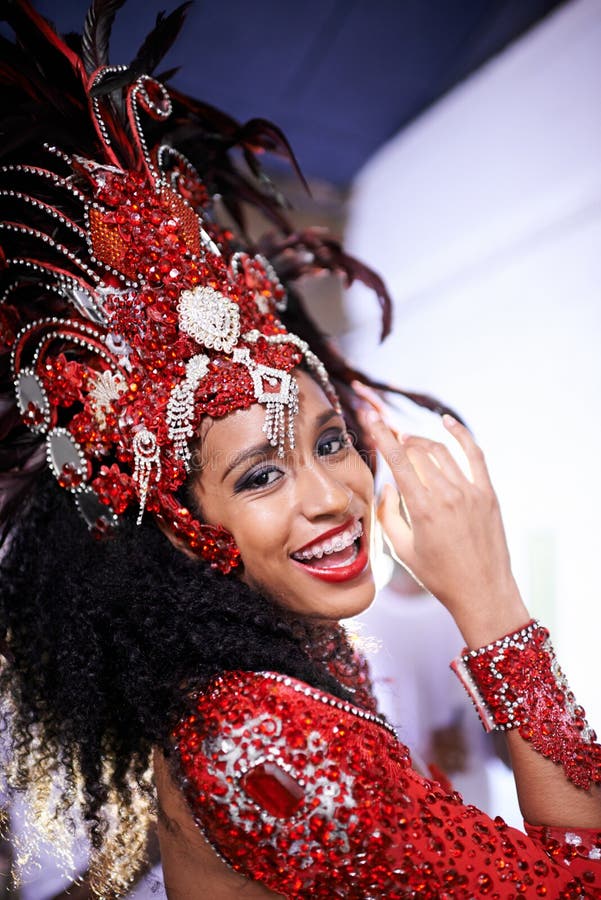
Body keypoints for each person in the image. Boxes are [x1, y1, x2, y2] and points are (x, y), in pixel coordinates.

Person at [1, 3, 600, 899]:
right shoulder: (259, 740)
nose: (331, 495)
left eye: (329, 441)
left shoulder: (265, 677)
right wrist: (491, 603)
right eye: (260, 474)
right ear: (177, 524)